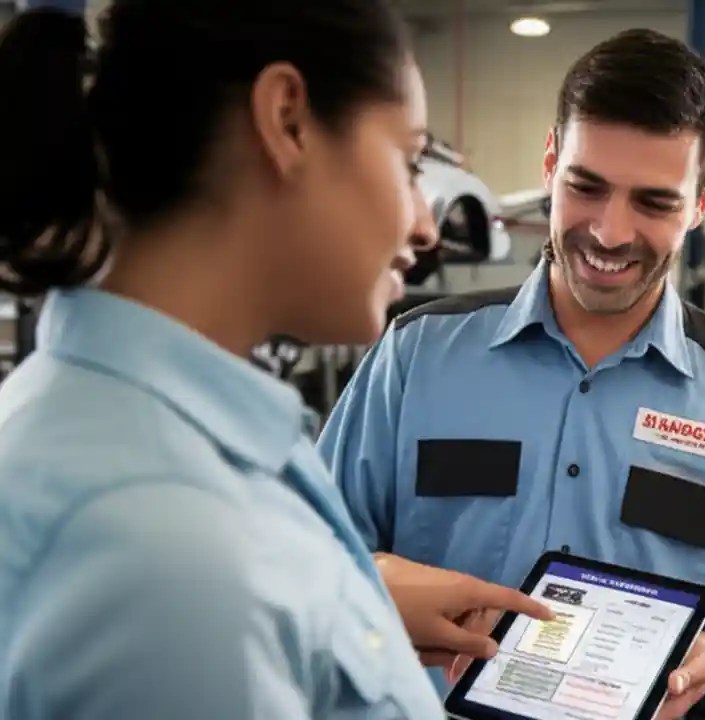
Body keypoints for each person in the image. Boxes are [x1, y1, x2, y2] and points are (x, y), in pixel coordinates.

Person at [0, 3, 551, 718]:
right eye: (409, 161)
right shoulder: (168, 549)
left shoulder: (131, 434)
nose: (423, 224)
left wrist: (351, 614)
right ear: (288, 120)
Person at [320, 27, 705, 720]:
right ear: (551, 163)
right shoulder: (416, 355)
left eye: (654, 202)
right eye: (587, 186)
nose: (609, 232)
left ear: (703, 199)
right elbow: (313, 553)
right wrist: (386, 580)